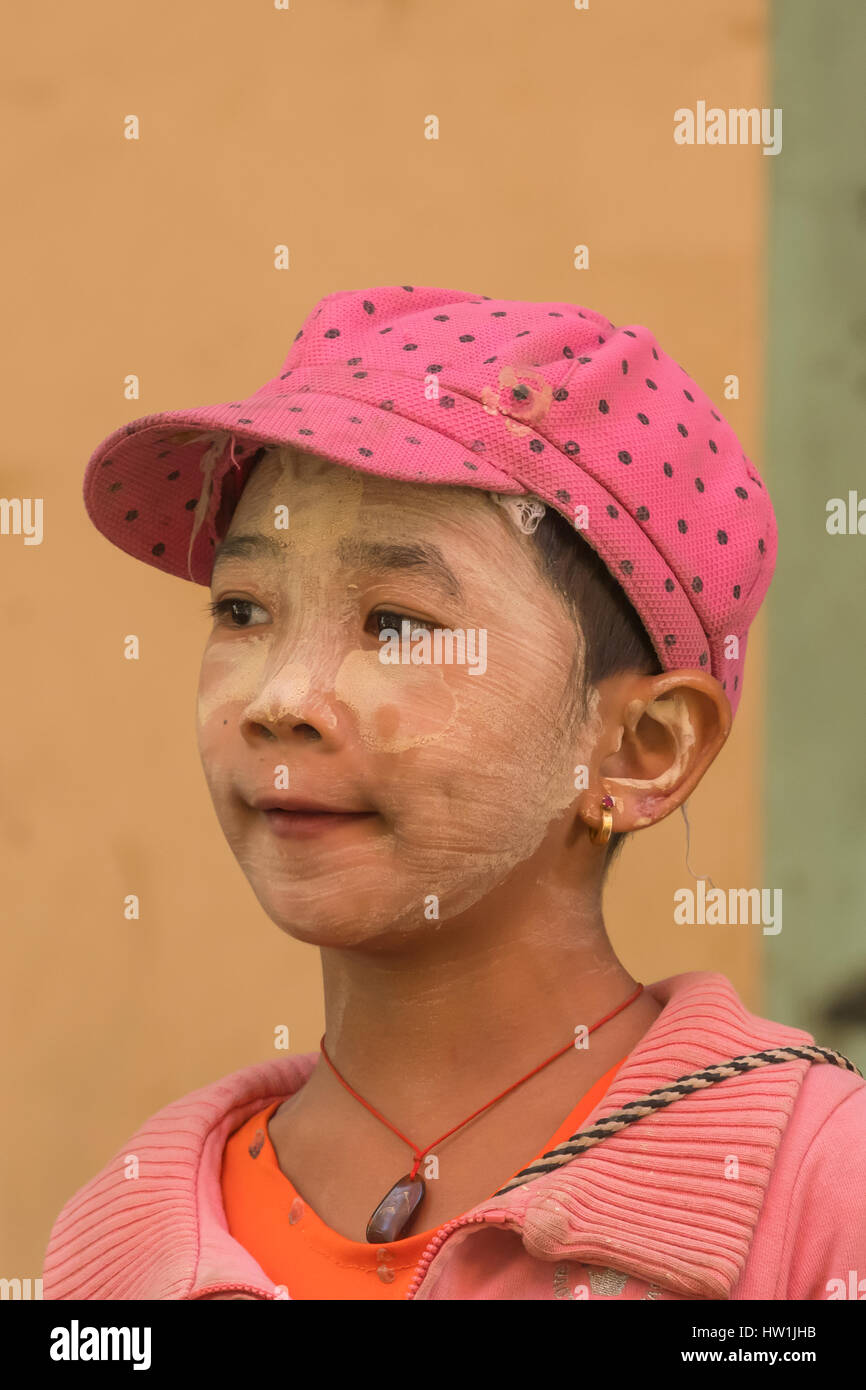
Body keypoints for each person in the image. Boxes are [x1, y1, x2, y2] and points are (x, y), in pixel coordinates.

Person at [43, 284, 866, 1301]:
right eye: (244, 607)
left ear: (641, 746)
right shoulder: (124, 1244)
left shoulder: (810, 1194)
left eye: (395, 624)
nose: (279, 699)